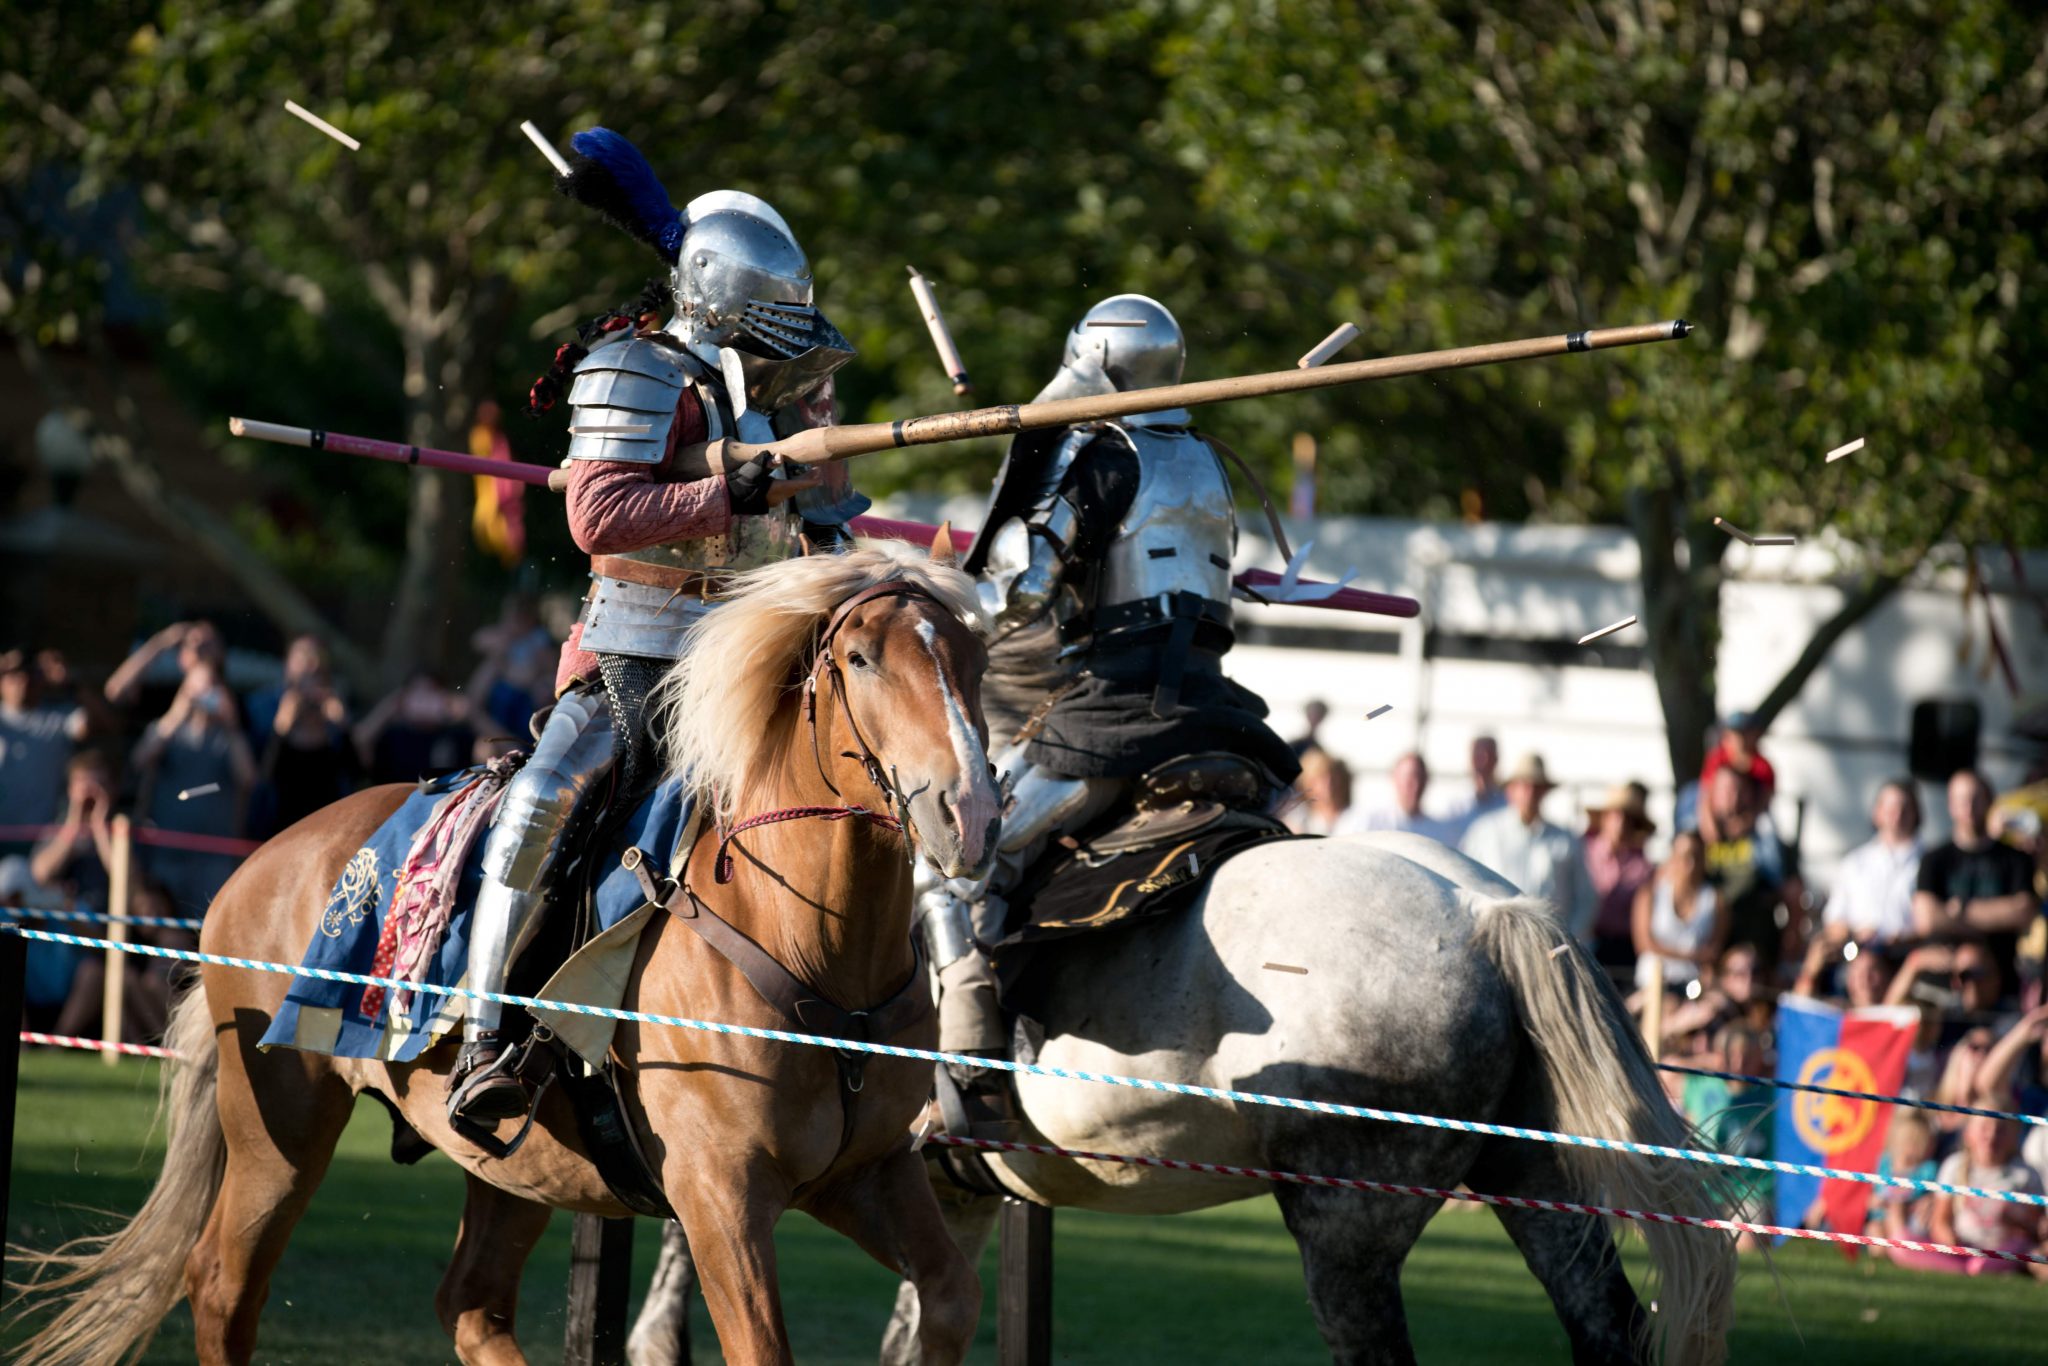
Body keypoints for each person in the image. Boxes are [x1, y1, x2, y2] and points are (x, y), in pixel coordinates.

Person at [448, 129, 850, 1126]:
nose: (778, 339)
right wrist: (734, 482)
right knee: (544, 797)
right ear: (716, 294)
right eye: (763, 314)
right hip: (638, 649)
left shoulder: (769, 393)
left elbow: (813, 526)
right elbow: (599, 519)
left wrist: (819, 489)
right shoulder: (632, 364)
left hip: (753, 653)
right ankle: (482, 1035)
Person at [917, 292, 1299, 1128]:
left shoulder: (1097, 454)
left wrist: (939, 587)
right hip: (1215, 711)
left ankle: (968, 1060)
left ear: (1091, 359)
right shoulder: (1205, 457)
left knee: (953, 854)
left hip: (1117, 719)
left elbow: (1014, 598)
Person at [132, 662, 255, 918]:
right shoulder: (166, 729)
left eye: (212, 687)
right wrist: (177, 713)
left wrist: (232, 723)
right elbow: (139, 760)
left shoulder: (230, 737)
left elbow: (249, 779)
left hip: (214, 858)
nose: (204, 694)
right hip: (166, 852)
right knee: (164, 930)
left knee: (208, 926)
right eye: (197, 687)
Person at [1913, 769, 2039, 1002]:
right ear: (1950, 805)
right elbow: (1926, 919)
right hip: (1938, 990)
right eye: (1961, 800)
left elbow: (2024, 912)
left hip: (2000, 986)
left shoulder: (2016, 859)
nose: (1969, 807)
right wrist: (1994, 915)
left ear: (1990, 801)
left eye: (1975, 799)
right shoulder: (1934, 859)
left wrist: (1958, 911)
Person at [1459, 753, 1595, 939]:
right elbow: (1463, 885)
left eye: (1536, 787)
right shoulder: (1485, 833)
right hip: (1495, 941)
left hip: (1548, 944)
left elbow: (1586, 898)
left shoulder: (1564, 840)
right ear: (1511, 790)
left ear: (1544, 792)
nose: (1530, 793)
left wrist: (1568, 939)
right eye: (1524, 785)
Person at [1699, 765, 1803, 978]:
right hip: (1706, 955)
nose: (1733, 797)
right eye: (1726, 790)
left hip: (1756, 956)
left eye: (1740, 790)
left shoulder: (1770, 845)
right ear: (1712, 794)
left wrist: (1789, 947)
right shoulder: (1697, 842)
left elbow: (1793, 896)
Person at [250, 635, 354, 834]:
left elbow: (356, 773)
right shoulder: (262, 706)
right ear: (287, 663)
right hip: (277, 829)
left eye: (318, 657)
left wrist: (343, 727)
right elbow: (259, 775)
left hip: (330, 827)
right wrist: (282, 727)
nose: (312, 664)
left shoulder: (334, 712)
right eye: (304, 656)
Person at [1822, 777, 1923, 948]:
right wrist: (1854, 934)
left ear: (1916, 814)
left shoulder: (1928, 862)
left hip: (1907, 956)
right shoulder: (1854, 863)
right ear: (1877, 813)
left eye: (1904, 808)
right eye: (1890, 809)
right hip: (1859, 957)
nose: (1897, 816)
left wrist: (1904, 938)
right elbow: (1833, 919)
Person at [0, 648, 90, 834]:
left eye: (30, 674)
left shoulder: (60, 717)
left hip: (44, 839)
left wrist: (70, 683)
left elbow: (104, 723)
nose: (22, 681)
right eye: (13, 675)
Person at [1632, 830, 1725, 993]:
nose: (1691, 864)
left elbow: (1713, 953)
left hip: (1693, 988)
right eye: (1684, 856)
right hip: (1650, 984)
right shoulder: (1649, 894)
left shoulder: (1716, 901)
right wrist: (1693, 956)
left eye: (1696, 856)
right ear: (1672, 857)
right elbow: (1644, 945)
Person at [1585, 781, 1656, 968]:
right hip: (1588, 941)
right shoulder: (1584, 853)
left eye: (1627, 817)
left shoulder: (1643, 866)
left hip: (1626, 947)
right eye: (1615, 815)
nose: (1621, 822)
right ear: (1604, 818)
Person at [1340, 751, 1459, 842]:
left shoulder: (1440, 832)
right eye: (1409, 779)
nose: (1415, 786)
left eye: (1420, 778)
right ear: (1394, 778)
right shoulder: (1368, 822)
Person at [1697, 709, 1775, 843]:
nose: (1740, 739)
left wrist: (1747, 820)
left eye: (1745, 733)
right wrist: (1708, 822)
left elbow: (1764, 802)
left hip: (1749, 821)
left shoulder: (1763, 767)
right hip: (1717, 817)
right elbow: (1705, 794)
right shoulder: (1717, 758)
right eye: (1735, 734)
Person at [1441, 734, 1505, 842]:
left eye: (1488, 756)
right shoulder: (1454, 803)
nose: (1483, 763)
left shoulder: (1506, 803)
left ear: (1496, 760)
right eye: (1478, 756)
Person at [1286, 747, 1353, 836]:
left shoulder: (1361, 818)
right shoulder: (1298, 823)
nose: (1328, 785)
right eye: (1320, 779)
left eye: (1334, 778)